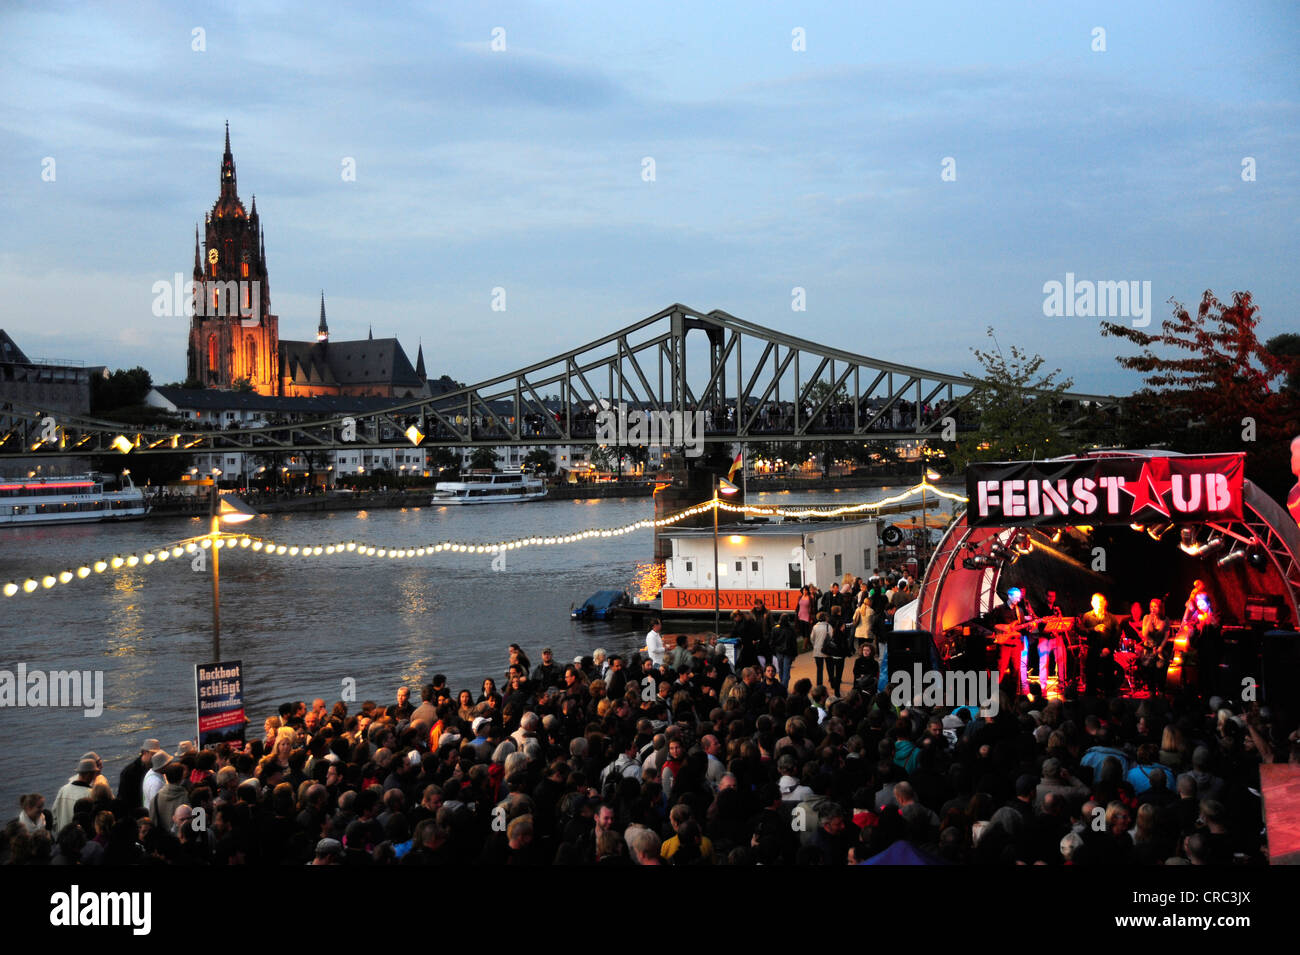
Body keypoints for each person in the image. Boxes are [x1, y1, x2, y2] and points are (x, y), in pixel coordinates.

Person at [1078, 593, 1121, 698]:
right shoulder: (1087, 616)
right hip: (1093, 652)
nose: (1099, 604)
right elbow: (1080, 630)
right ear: (1092, 603)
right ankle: (1091, 702)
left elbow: (1117, 635)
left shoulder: (1111, 618)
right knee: (1091, 680)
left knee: (1109, 680)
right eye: (1097, 602)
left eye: (1101, 602)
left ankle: (1109, 704)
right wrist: (1093, 629)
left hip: (1107, 653)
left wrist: (1109, 649)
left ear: (1105, 603)